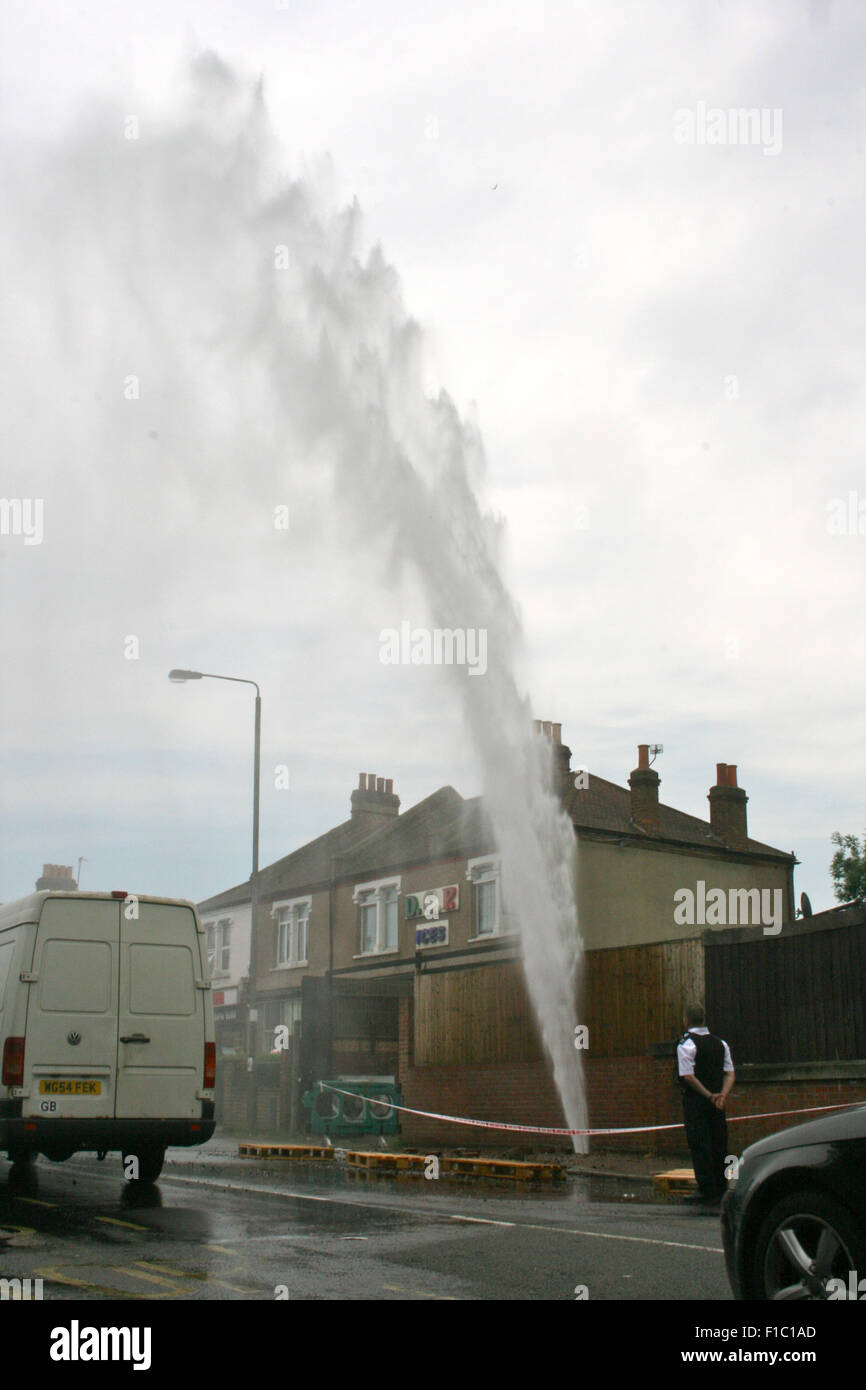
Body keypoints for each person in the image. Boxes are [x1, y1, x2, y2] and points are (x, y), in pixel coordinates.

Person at [676, 1004, 735, 1205]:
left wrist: (709, 1095)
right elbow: (730, 1073)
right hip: (718, 1103)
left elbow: (688, 1077)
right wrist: (722, 1096)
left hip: (696, 1102)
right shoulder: (721, 1044)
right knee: (720, 1142)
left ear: (686, 1020)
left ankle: (706, 1189)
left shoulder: (686, 1044)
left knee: (700, 1143)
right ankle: (722, 1186)